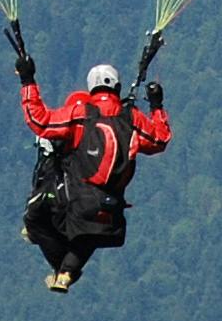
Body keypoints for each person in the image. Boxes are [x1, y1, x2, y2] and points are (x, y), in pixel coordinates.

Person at [11, 23, 170, 291]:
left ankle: (64, 269)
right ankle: (67, 272)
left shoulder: (80, 114)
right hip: (110, 212)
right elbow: (160, 138)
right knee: (90, 231)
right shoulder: (131, 118)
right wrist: (156, 106)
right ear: (118, 88)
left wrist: (27, 80)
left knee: (35, 219)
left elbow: (39, 122)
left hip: (73, 202)